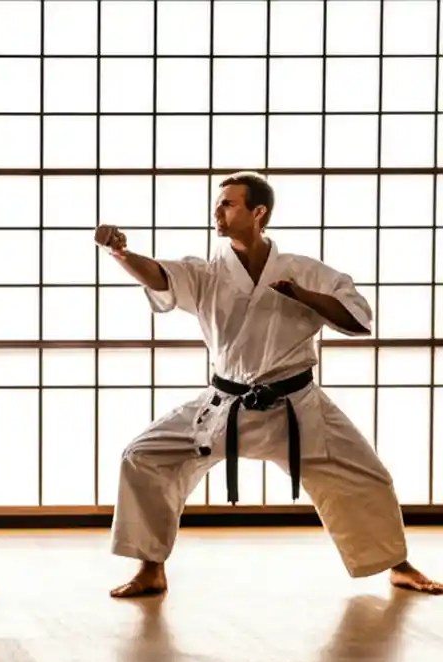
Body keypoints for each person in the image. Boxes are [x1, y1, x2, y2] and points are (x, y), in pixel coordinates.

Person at [99, 170, 443, 598]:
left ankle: (398, 565)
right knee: (144, 456)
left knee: (366, 474)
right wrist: (121, 254)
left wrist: (303, 296)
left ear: (258, 212)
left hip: (295, 405)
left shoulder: (305, 271)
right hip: (224, 405)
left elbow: (358, 319)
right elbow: (160, 276)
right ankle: (151, 567)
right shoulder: (207, 272)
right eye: (218, 203)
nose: (217, 212)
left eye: (228, 204)